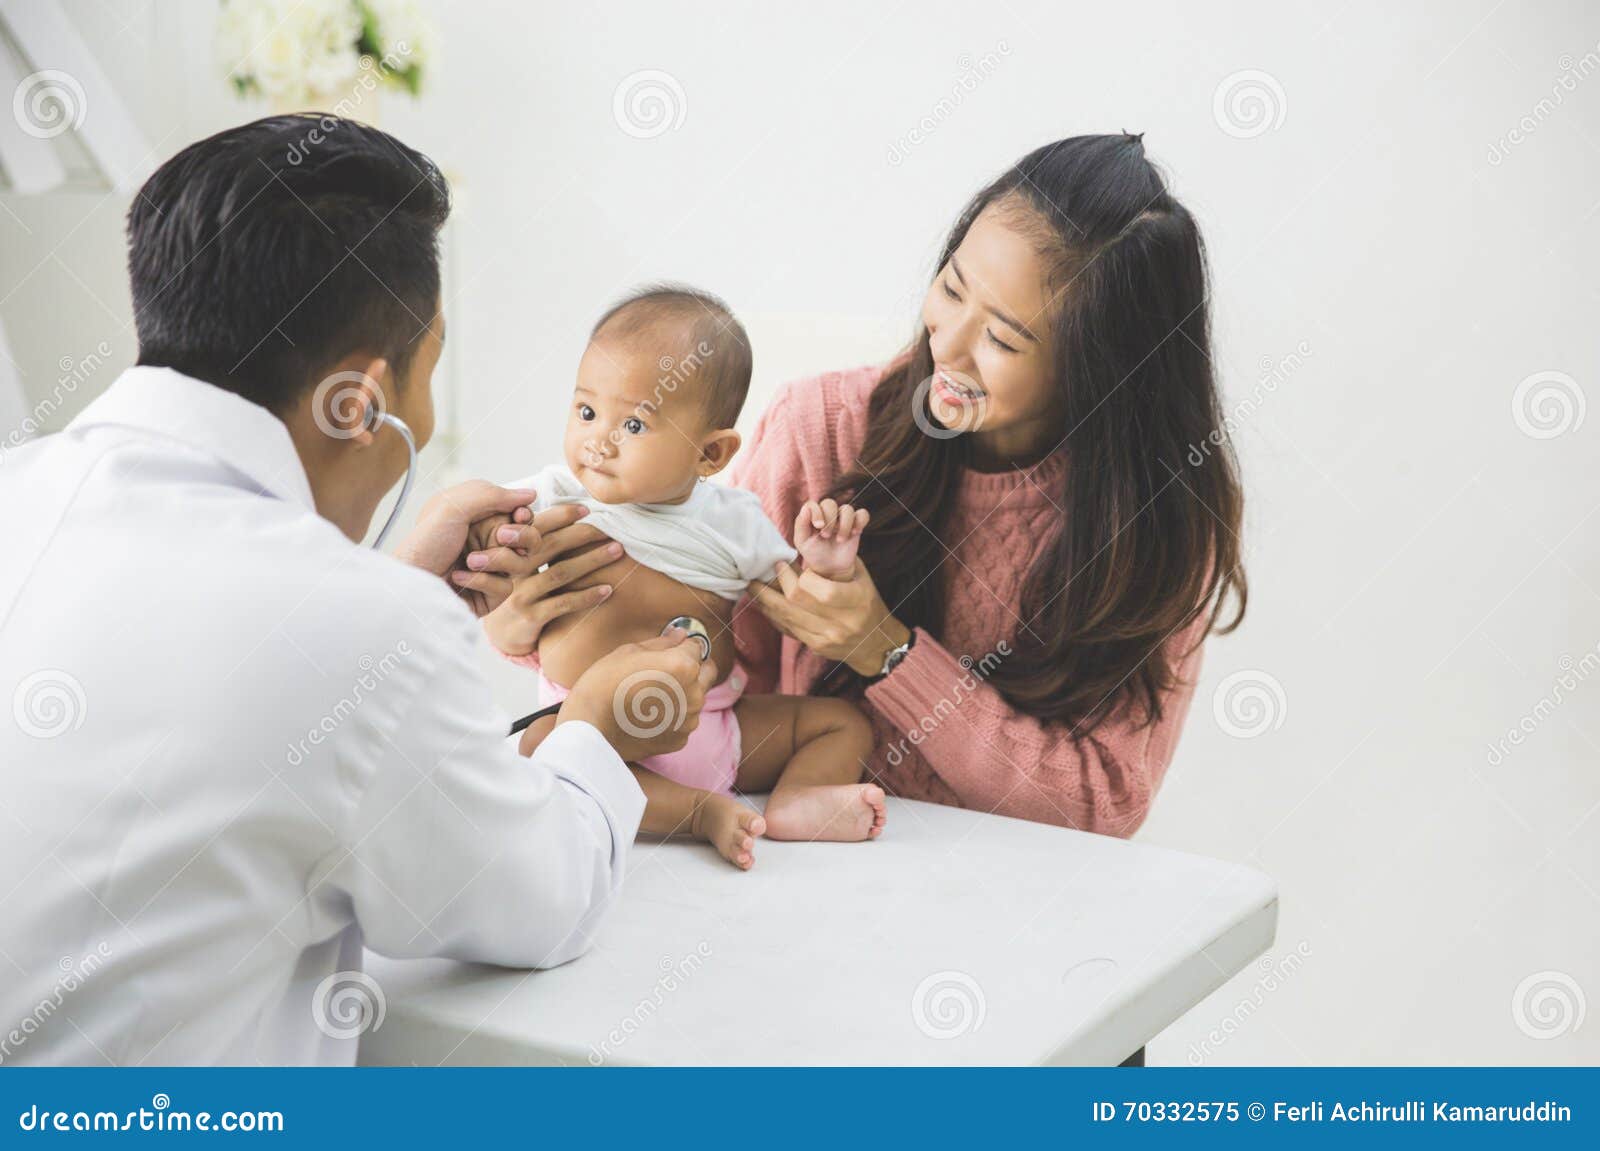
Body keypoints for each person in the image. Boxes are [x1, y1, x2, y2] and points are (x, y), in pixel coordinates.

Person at [0, 115, 711, 1066]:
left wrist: (391, 594)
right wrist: (593, 720)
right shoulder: (367, 633)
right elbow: (545, 898)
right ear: (364, 400)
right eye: (432, 367)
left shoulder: (21, 486)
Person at [489, 135, 1248, 837]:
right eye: (951, 289)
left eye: (1004, 337)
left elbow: (1101, 804)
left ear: (1102, 368)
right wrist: (526, 632)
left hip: (1023, 902)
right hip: (798, 878)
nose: (944, 343)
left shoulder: (1160, 518)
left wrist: (885, 651)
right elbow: (712, 669)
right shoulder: (822, 427)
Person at [470, 284, 885, 871]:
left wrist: (825, 563)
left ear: (711, 454)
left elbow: (799, 596)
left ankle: (798, 799)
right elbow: (488, 526)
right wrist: (491, 541)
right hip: (598, 731)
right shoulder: (556, 495)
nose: (600, 441)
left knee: (839, 722)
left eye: (634, 426)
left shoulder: (734, 520)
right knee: (541, 748)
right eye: (587, 412)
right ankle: (699, 813)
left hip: (716, 725)